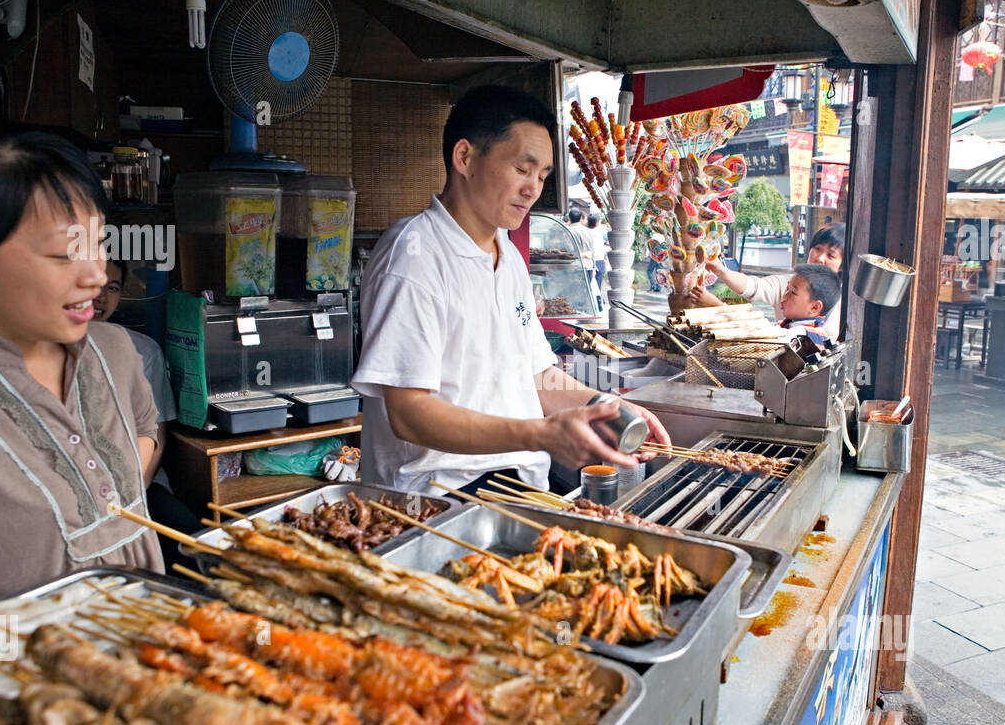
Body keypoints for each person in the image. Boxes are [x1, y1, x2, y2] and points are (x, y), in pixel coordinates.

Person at [351, 85, 670, 497]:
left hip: (516, 481)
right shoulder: (415, 255)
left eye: (541, 176)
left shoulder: (508, 255)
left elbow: (536, 375)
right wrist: (539, 434)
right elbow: (409, 413)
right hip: (436, 495)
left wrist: (604, 408)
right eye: (523, 170)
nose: (533, 189)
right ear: (464, 157)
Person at [0, 127, 164, 615]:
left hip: (154, 659)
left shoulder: (113, 351)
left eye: (97, 243)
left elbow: (143, 426)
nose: (96, 274)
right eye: (63, 253)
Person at [91, 254, 198, 570]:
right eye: (95, 285)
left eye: (111, 287)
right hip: (82, 494)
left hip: (139, 485)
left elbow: (155, 435)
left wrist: (131, 497)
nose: (101, 297)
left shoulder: (141, 350)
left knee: (196, 546)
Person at [692, 223, 846, 338]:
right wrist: (721, 270)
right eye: (818, 249)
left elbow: (759, 333)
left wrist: (717, 305)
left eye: (830, 255)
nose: (820, 258)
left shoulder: (800, 334)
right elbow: (754, 287)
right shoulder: (788, 322)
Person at [775, 264, 841, 345]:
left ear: (814, 307)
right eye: (787, 289)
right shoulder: (789, 324)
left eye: (793, 292)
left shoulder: (806, 336)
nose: (784, 296)